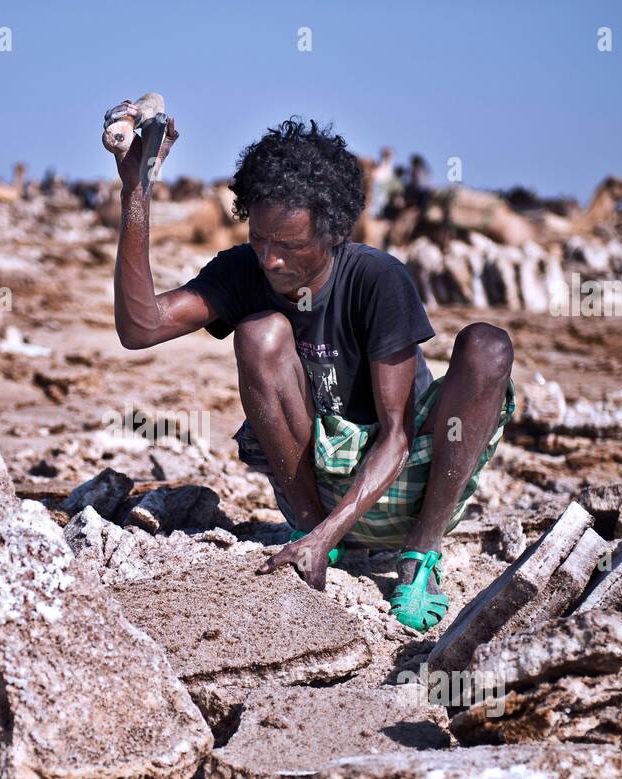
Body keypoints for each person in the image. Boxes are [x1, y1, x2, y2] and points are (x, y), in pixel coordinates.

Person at [107, 112, 515, 632]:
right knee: (259, 332)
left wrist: (329, 538)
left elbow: (397, 437)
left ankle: (420, 558)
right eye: (261, 241)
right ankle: (314, 534)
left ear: (334, 232)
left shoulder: (377, 279)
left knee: (487, 346)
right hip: (315, 487)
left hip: (408, 477)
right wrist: (135, 192)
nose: (272, 261)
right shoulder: (245, 270)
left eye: (292, 247)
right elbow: (139, 328)